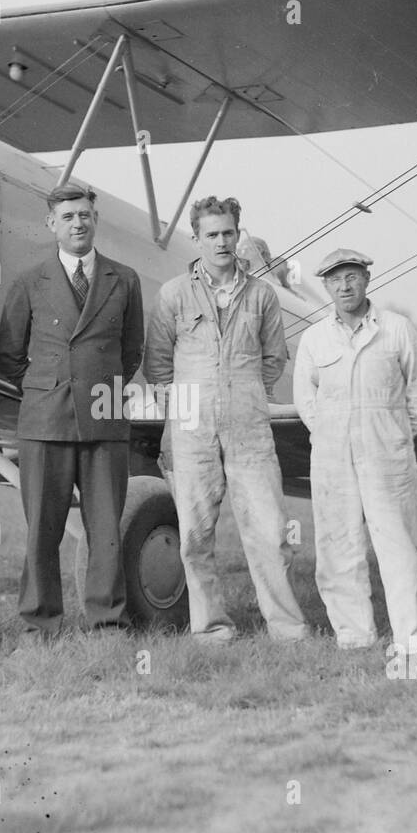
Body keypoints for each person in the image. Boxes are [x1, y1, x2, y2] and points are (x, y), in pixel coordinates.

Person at [144, 196, 308, 644]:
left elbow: (274, 358)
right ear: (196, 239)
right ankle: (212, 628)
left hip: (250, 433)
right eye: (211, 234)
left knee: (271, 534)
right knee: (195, 537)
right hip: (191, 435)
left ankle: (288, 630)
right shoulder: (174, 294)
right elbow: (157, 365)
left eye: (228, 233)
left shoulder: (261, 295)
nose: (221, 242)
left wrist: (245, 396)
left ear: (239, 235)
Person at [0, 184, 145, 640]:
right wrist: (49, 386)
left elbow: (131, 349)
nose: (77, 223)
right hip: (45, 422)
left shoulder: (125, 279)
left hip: (105, 418)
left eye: (84, 215)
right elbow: (10, 355)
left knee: (106, 529)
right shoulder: (28, 281)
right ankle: (40, 624)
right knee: (43, 528)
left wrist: (98, 386)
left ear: (95, 219)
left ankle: (107, 621)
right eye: (68, 217)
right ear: (51, 224)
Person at [293, 249, 417, 652]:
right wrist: (327, 432)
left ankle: (413, 639)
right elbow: (306, 399)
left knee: (399, 545)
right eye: (336, 279)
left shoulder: (396, 329)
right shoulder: (315, 339)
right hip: (332, 456)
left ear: (367, 279)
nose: (345, 285)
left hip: (386, 454)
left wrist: (395, 433)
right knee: (338, 545)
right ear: (325, 285)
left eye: (352, 276)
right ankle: (354, 635)